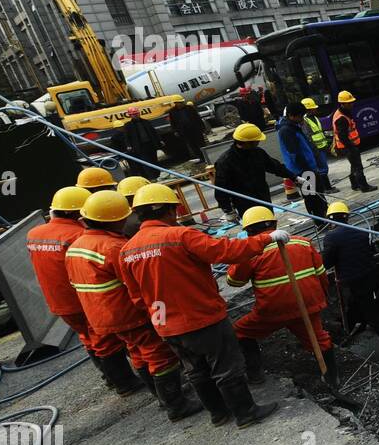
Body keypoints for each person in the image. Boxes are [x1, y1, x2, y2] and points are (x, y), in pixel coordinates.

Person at [120, 183, 285, 427]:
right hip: (201, 317)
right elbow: (226, 251)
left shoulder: (127, 250)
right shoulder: (181, 236)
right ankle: (245, 413)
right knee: (226, 366)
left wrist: (163, 317)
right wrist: (265, 239)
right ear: (169, 211)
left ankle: (218, 414)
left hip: (166, 324)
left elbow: (136, 297)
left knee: (195, 370)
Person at [65, 190, 204, 421]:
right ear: (116, 219)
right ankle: (176, 405)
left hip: (101, 316)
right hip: (127, 314)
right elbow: (138, 283)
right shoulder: (112, 247)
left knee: (138, 352)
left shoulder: (77, 245)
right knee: (159, 355)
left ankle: (161, 397)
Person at [28, 186, 144, 396]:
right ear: (76, 213)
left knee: (87, 337)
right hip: (84, 299)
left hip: (59, 302)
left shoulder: (34, 234)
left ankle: (109, 378)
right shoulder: (78, 236)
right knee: (104, 341)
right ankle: (124, 383)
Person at [228, 206, 339, 389]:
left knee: (240, 332)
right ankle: (332, 378)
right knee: (319, 339)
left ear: (248, 231)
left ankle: (256, 375)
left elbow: (234, 282)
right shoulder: (303, 242)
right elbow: (321, 275)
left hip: (272, 311)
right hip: (307, 303)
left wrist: (239, 254)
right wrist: (323, 298)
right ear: (275, 223)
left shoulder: (250, 252)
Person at [322, 201, 379, 355]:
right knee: (356, 303)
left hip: (354, 280)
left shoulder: (331, 237)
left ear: (330, 219)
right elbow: (371, 250)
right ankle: (360, 325)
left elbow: (327, 263)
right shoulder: (361, 231)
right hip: (371, 274)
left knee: (371, 313)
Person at [213, 123, 300, 221]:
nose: (259, 142)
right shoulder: (225, 161)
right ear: (248, 142)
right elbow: (221, 189)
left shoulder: (257, 153)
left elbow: (275, 167)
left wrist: (294, 177)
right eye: (256, 140)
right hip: (245, 203)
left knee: (269, 224)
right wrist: (228, 210)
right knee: (256, 230)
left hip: (263, 197)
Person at [277, 103, 330, 227]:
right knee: (312, 197)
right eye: (300, 116)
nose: (302, 118)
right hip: (303, 171)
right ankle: (320, 222)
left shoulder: (294, 126)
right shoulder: (286, 130)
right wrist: (307, 169)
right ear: (291, 115)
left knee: (318, 193)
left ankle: (325, 216)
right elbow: (294, 153)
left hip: (309, 168)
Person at [332, 92, 378, 192]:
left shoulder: (344, 112)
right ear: (342, 104)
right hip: (348, 146)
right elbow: (342, 136)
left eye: (351, 102)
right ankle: (364, 186)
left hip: (348, 145)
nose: (351, 104)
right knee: (358, 166)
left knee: (354, 165)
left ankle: (355, 184)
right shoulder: (341, 118)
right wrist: (351, 146)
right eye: (349, 103)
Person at [114, 107, 164, 180]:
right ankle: (152, 177)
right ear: (130, 115)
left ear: (139, 113)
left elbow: (154, 132)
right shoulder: (128, 125)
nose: (135, 115)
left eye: (136, 113)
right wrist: (129, 146)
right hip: (140, 147)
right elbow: (127, 137)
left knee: (154, 161)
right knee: (146, 163)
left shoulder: (146, 122)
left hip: (151, 145)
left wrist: (160, 140)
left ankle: (158, 175)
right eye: (133, 114)